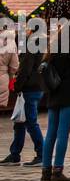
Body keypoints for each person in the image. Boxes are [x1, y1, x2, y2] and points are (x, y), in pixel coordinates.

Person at [40, 23, 70, 181]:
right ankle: (57, 171)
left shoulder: (52, 49)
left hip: (53, 93)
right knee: (62, 133)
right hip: (68, 94)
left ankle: (45, 172)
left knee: (51, 132)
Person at [3, 21, 45, 166]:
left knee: (30, 122)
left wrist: (17, 86)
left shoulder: (33, 44)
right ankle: (15, 153)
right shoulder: (45, 43)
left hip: (29, 88)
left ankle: (42, 153)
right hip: (38, 86)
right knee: (20, 121)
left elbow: (26, 68)